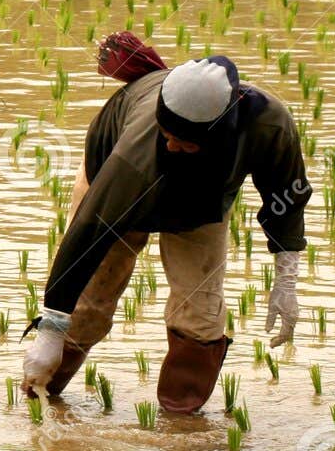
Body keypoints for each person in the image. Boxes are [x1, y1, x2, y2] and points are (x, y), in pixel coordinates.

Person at [22, 33, 309, 413]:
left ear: (218, 136)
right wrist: (52, 326)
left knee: (201, 315)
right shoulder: (135, 154)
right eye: (168, 136)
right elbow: (88, 232)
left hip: (202, 204)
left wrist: (286, 281)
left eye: (185, 143)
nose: (172, 146)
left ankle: (182, 428)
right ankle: (41, 399)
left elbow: (285, 198)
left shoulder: (269, 126)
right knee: (89, 307)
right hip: (118, 188)